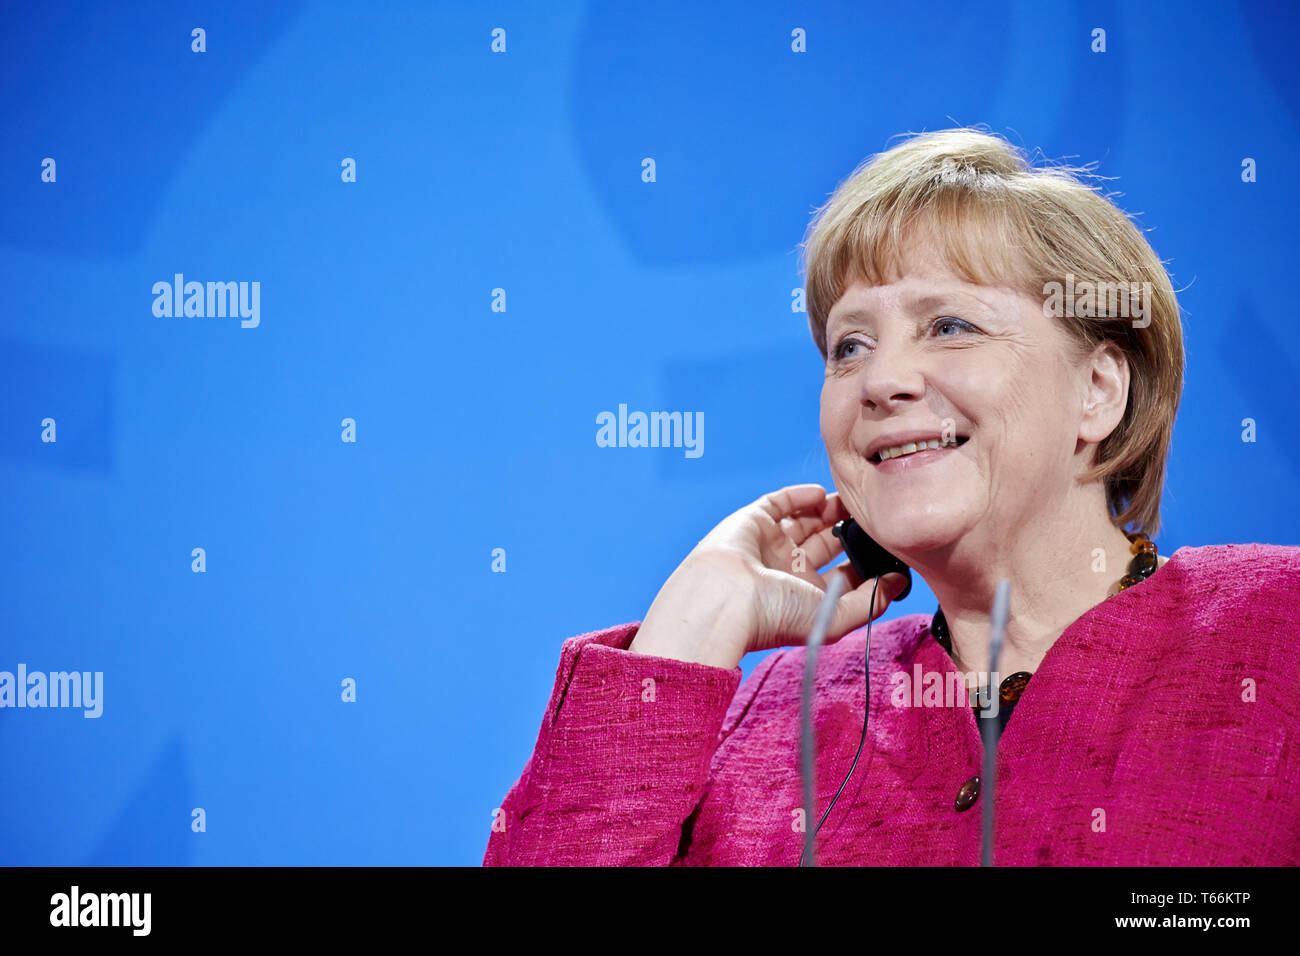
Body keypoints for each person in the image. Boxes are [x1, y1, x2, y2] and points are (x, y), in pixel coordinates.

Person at [483, 128, 1300, 866]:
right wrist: (691, 624)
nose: (881, 382)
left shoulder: (1277, 628)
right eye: (850, 346)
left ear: (1097, 389)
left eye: (949, 325)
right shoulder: (773, 710)